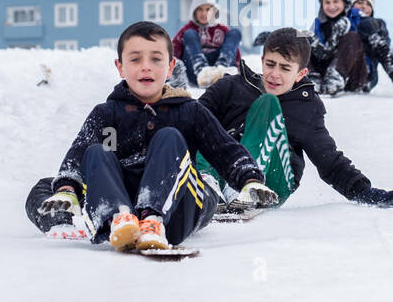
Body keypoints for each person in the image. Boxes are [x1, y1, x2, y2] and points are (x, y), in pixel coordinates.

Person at [24, 21, 278, 250]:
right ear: (120, 67)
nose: (146, 66)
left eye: (156, 59)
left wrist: (250, 179)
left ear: (170, 67)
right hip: (128, 201)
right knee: (89, 156)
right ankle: (116, 219)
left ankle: (153, 219)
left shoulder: (190, 111)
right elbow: (80, 154)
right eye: (135, 60)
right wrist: (67, 189)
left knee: (168, 137)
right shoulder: (106, 114)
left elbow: (225, 149)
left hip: (180, 207)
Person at [197, 27, 393, 208]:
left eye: (285, 68)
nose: (274, 74)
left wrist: (367, 193)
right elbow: (191, 119)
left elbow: (329, 161)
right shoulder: (231, 87)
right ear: (262, 60)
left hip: (273, 180)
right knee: (201, 122)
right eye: (270, 64)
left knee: (268, 104)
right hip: (222, 173)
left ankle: (245, 189)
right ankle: (208, 186)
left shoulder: (306, 107)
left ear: (300, 73)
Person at [306, 0, 369, 96]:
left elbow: (378, 47)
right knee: (305, 39)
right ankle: (312, 78)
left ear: (345, 4)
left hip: (354, 76)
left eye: (336, 1)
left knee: (352, 37)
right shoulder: (317, 24)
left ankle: (336, 77)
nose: (331, 6)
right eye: (327, 2)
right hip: (324, 75)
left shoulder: (358, 19)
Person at [169, 0, 241, 89]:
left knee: (235, 33)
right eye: (200, 10)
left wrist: (240, 73)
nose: (204, 13)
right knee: (189, 34)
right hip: (195, 74)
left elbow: (234, 52)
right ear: (194, 12)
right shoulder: (187, 29)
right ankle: (201, 69)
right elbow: (174, 51)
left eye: (208, 9)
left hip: (220, 71)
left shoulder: (222, 29)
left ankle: (221, 67)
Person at [349, 0, 393, 97]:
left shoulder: (378, 24)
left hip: (367, 72)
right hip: (343, 67)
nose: (364, 6)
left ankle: (363, 80)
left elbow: (383, 50)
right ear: (351, 5)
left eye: (368, 4)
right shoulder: (344, 22)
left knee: (371, 32)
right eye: (360, 2)